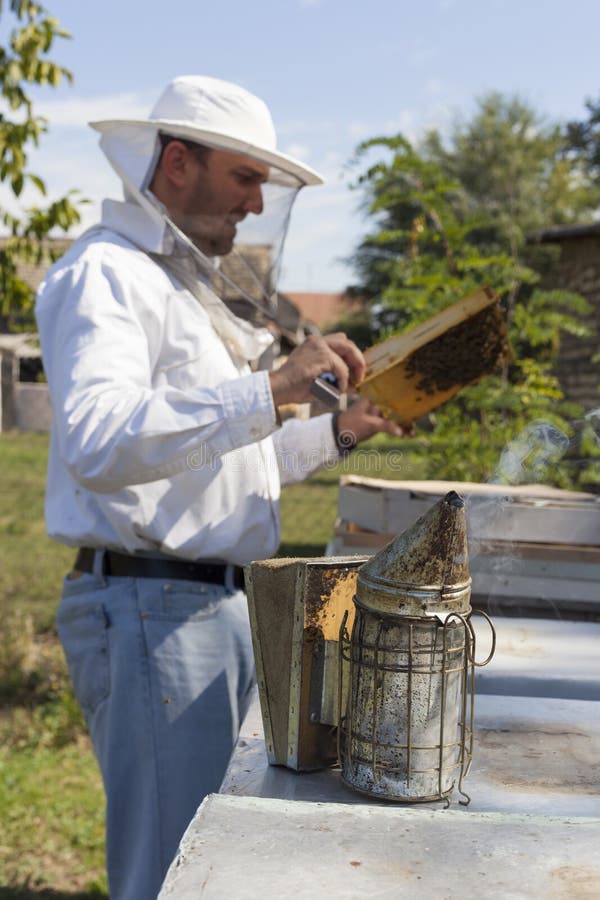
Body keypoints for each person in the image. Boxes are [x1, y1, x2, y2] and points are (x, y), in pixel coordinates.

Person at [35, 75, 407, 900]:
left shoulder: (178, 286)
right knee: (171, 869)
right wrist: (269, 390)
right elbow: (98, 441)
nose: (252, 202)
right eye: (244, 177)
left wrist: (341, 428)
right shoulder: (105, 274)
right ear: (176, 163)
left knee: (212, 859)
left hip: (210, 607)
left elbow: (229, 466)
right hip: (149, 609)